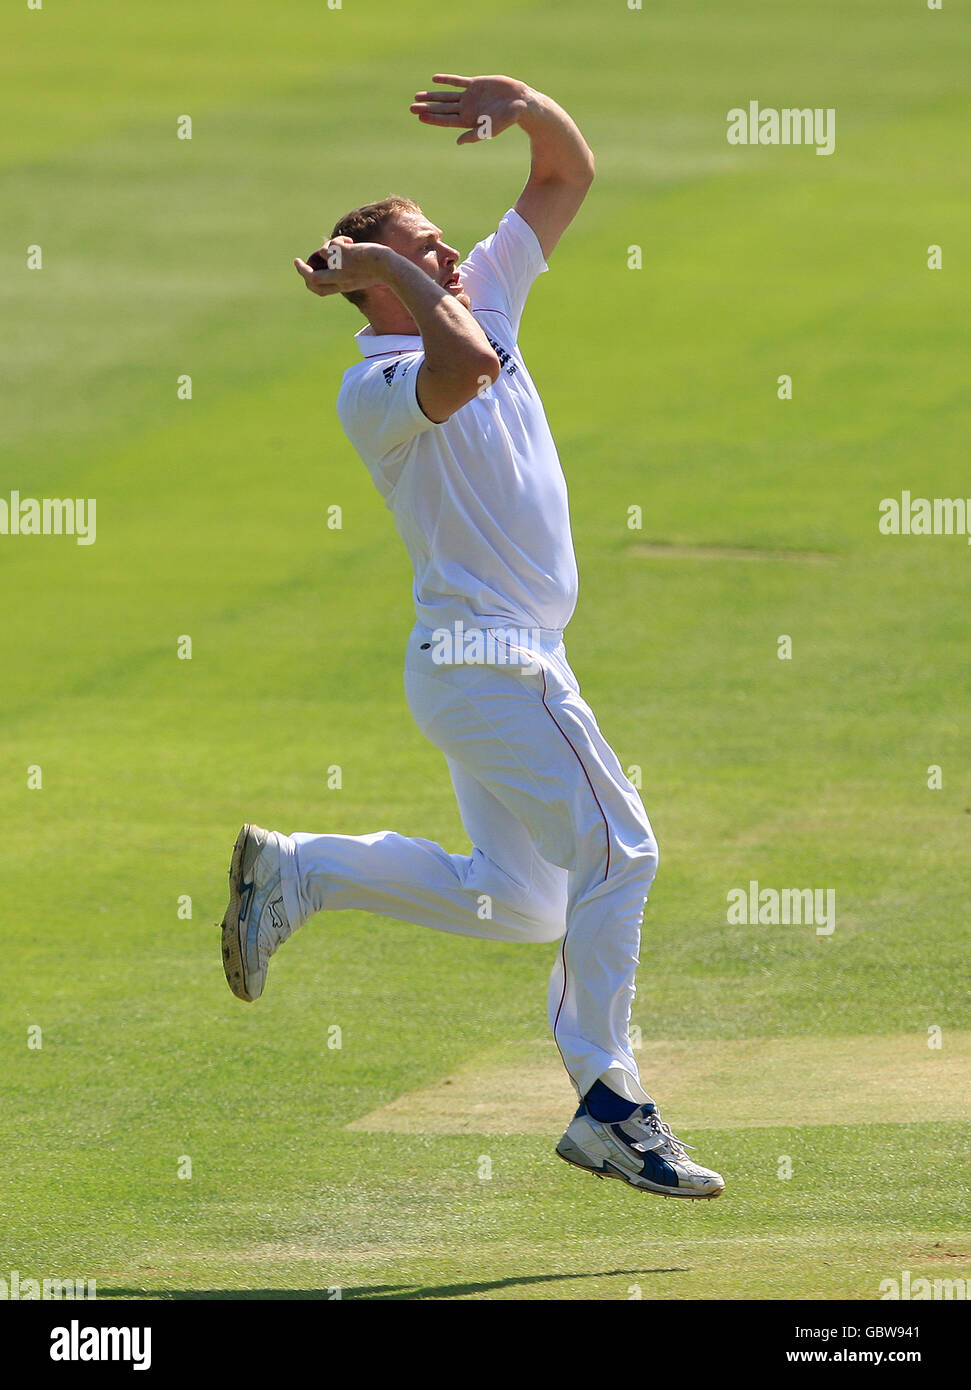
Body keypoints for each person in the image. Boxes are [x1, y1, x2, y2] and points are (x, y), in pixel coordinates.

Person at [221, 73, 724, 1200]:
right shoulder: (384, 383)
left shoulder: (475, 290)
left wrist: (529, 103)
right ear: (371, 287)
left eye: (444, 241)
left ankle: (301, 872)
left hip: (490, 661)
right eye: (422, 248)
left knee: (526, 898)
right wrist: (396, 269)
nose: (451, 254)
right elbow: (466, 365)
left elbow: (563, 175)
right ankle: (608, 1100)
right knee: (623, 849)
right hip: (491, 658)